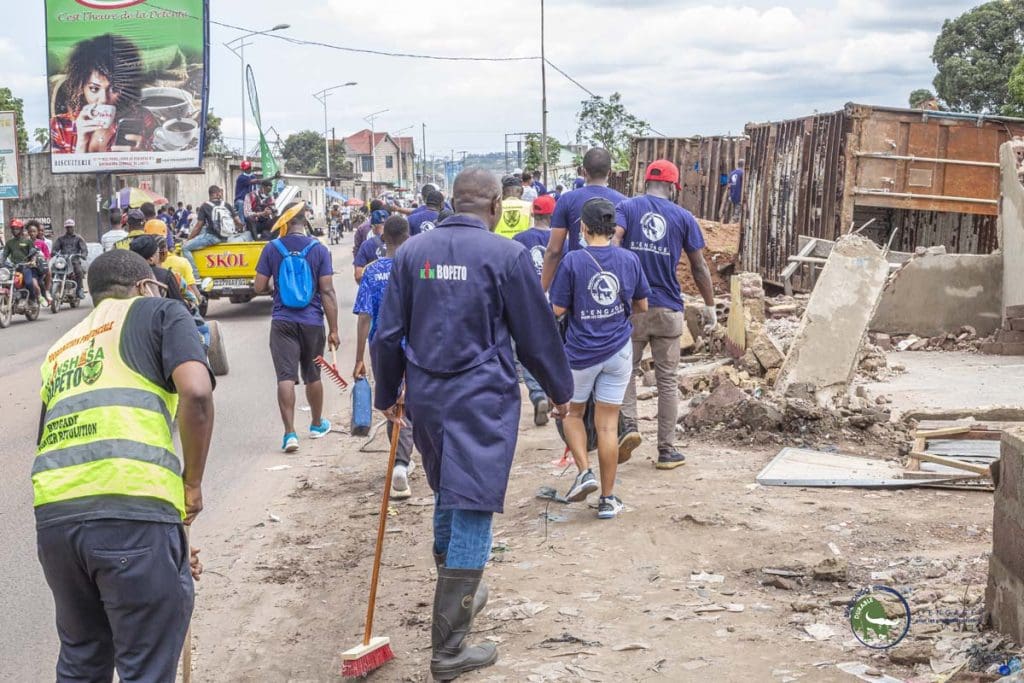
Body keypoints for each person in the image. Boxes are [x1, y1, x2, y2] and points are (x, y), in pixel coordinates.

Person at [372, 168, 573, 680]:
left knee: (447, 493)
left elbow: (387, 332)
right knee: (475, 505)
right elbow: (535, 333)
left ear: (452, 202)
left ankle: (457, 596)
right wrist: (560, 391)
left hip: (428, 398)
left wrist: (387, 394)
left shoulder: (413, 253)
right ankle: (450, 647)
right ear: (492, 208)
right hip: (481, 396)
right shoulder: (504, 256)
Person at [33, 248, 213, 681]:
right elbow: (197, 393)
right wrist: (191, 487)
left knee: (82, 660)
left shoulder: (63, 347)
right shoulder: (160, 311)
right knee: (145, 667)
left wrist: (166, 540)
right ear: (144, 286)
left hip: (57, 523)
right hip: (131, 512)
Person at [550, 197, 650, 519]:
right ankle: (608, 499)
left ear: (583, 227)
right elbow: (643, 305)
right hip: (620, 351)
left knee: (573, 414)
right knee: (608, 427)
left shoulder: (573, 262)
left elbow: (558, 310)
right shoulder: (629, 260)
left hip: (581, 354)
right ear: (611, 228)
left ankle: (584, 472)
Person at [616, 160, 717, 469]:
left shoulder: (627, 208)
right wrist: (710, 306)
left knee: (625, 373)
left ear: (646, 182)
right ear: (674, 187)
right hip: (669, 308)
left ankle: (629, 427)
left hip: (633, 308)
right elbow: (698, 266)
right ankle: (667, 451)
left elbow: (615, 240)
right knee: (668, 381)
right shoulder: (683, 217)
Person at [254, 201, 340, 453]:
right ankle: (315, 425)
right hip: (312, 321)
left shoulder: (272, 248)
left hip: (282, 321)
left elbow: (259, 286)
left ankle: (290, 434)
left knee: (285, 377)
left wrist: (274, 286)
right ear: (304, 221)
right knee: (313, 375)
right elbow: (328, 291)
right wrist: (333, 329)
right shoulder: (319, 249)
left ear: (285, 222)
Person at [353, 215, 418, 498]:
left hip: (381, 345)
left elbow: (364, 317)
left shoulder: (372, 271)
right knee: (411, 402)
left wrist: (359, 358)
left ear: (384, 240)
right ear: (409, 236)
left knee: (392, 402)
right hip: (416, 344)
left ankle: (400, 460)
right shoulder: (418, 269)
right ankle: (401, 463)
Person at [49, 34, 154, 154]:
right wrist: (81, 143)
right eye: (94, 89)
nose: (104, 100)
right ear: (81, 87)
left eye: (114, 89)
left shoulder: (143, 120)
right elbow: (62, 172)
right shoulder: (59, 127)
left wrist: (144, 157)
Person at [541, 148, 626, 291]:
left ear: (584, 171)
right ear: (609, 173)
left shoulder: (567, 200)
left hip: (578, 278)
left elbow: (554, 250)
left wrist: (542, 290)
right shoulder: (624, 202)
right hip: (613, 281)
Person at [512, 195, 555, 423]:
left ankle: (537, 394)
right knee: (555, 352)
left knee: (528, 354)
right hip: (556, 303)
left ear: (533, 214)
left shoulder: (519, 239)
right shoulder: (562, 241)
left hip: (528, 304)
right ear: (552, 215)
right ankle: (552, 394)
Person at [183, 185, 243, 279]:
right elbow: (239, 222)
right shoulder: (226, 205)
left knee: (185, 248)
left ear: (210, 194)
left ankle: (195, 275)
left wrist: (188, 239)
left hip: (212, 238)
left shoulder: (205, 206)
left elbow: (198, 226)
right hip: (226, 237)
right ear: (217, 193)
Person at [129, 234, 182, 303]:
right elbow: (179, 304)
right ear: (151, 259)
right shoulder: (166, 276)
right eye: (157, 252)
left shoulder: (124, 275)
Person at [2, 219, 41, 301]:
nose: (15, 230)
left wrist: (33, 261)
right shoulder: (9, 242)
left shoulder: (28, 241)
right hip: (13, 268)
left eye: (17, 228)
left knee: (29, 283)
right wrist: (1, 262)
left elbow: (33, 253)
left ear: (21, 229)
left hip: (25, 267)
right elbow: (4, 254)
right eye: (13, 228)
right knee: (4, 281)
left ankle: (33, 299)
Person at [53, 218, 89, 300]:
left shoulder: (78, 238)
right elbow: (55, 249)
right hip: (63, 261)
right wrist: (54, 252)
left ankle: (80, 289)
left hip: (74, 260)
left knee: (79, 271)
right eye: (67, 227)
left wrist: (83, 254)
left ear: (73, 227)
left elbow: (84, 249)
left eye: (71, 227)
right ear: (65, 228)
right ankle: (54, 288)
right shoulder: (60, 239)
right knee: (53, 270)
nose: (69, 228)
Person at [354, 209, 389, 282]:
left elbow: (358, 276)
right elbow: (418, 273)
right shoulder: (405, 243)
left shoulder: (366, 245)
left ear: (373, 227)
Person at [495, 175, 532, 239]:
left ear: (502, 192)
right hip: (522, 246)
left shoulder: (496, 207)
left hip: (500, 245)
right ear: (522, 191)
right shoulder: (530, 206)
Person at [27, 221, 53, 305]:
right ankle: (38, 297)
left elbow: (47, 256)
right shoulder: (26, 243)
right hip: (31, 268)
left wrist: (45, 263)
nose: (32, 233)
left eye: (34, 231)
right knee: (34, 285)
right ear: (28, 232)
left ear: (37, 232)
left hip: (41, 267)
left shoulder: (42, 243)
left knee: (48, 272)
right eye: (30, 231)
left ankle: (47, 291)